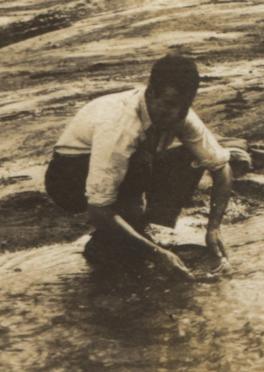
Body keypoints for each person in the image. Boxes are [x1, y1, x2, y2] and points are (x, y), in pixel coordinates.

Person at [45, 52, 234, 280]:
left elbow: (221, 167)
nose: (175, 114)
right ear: (151, 93)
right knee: (138, 164)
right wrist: (155, 254)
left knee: (187, 157)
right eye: (169, 105)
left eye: (184, 107)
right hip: (68, 179)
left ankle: (150, 231)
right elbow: (98, 209)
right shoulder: (121, 125)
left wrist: (213, 228)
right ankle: (118, 240)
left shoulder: (178, 112)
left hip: (124, 165)